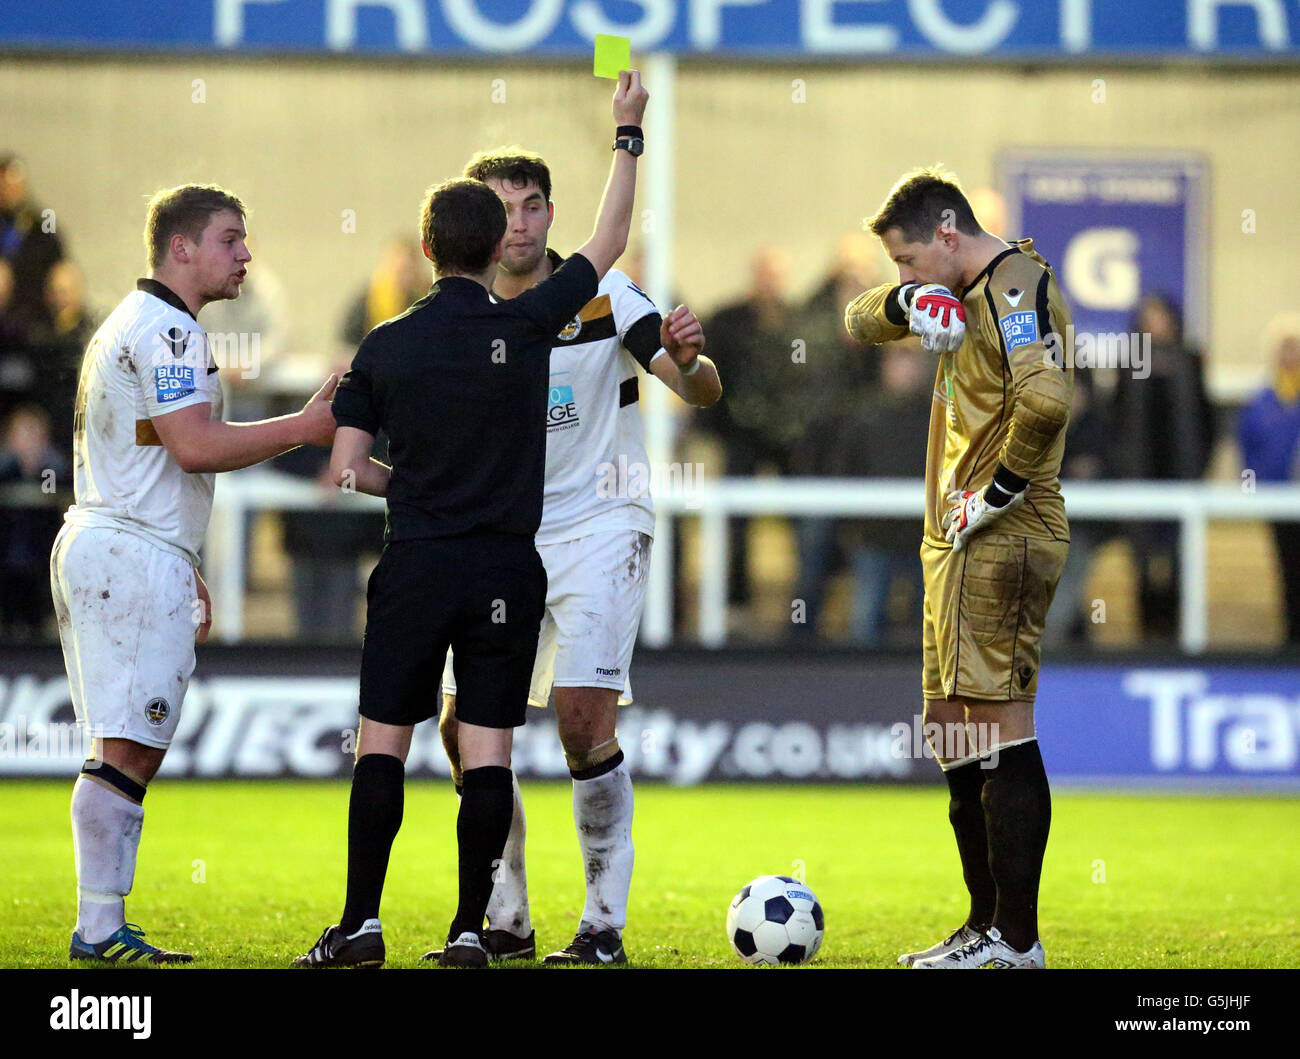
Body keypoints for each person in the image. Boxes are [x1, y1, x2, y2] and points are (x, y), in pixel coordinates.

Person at [294, 70, 652, 970]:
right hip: (503, 569)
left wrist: (409, 486)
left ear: (424, 246)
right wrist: (626, 130)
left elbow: (344, 470)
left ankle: (362, 926)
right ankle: (467, 930)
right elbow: (608, 239)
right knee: (487, 753)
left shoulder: (383, 343)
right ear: (498, 242)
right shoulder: (529, 325)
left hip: (415, 562)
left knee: (386, 744)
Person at [425, 147, 719, 966]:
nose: (516, 224)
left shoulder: (605, 293)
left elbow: (697, 384)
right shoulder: (461, 312)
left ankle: (601, 923)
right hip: (500, 536)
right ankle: (509, 912)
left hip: (601, 522)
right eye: (499, 209)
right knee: (463, 731)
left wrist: (692, 366)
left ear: (553, 214)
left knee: (582, 716)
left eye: (530, 206)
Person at [50, 183, 338, 964]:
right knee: (126, 748)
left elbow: (155, 453)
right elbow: (196, 446)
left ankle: (102, 925)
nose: (245, 255)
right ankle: (98, 930)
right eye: (230, 239)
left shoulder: (133, 323)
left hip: (124, 542)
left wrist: (186, 560)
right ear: (181, 247)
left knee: (126, 746)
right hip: (127, 550)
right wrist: (306, 428)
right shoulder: (171, 333)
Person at [845, 166, 1072, 969]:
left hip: (1004, 531)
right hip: (955, 537)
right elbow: (857, 317)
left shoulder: (1016, 282)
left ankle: (1019, 939)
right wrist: (910, 301)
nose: (902, 275)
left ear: (947, 233)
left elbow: (1047, 398)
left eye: (909, 262)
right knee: (954, 733)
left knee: (1002, 722)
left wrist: (1000, 491)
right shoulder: (957, 294)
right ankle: (983, 927)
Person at [1238, 311, 1300, 644]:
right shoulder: (1262, 402)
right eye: (1285, 347)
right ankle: (1291, 637)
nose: (1290, 355)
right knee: (1288, 568)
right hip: (1276, 501)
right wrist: (1252, 488)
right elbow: (1247, 449)